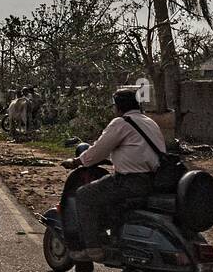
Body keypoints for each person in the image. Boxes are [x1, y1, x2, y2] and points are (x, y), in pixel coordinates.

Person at [62, 87, 165, 261]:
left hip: (129, 182)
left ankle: (93, 249)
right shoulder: (149, 122)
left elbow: (98, 151)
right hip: (154, 182)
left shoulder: (121, 123)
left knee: (84, 195)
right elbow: (138, 150)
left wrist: (76, 162)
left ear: (118, 107)